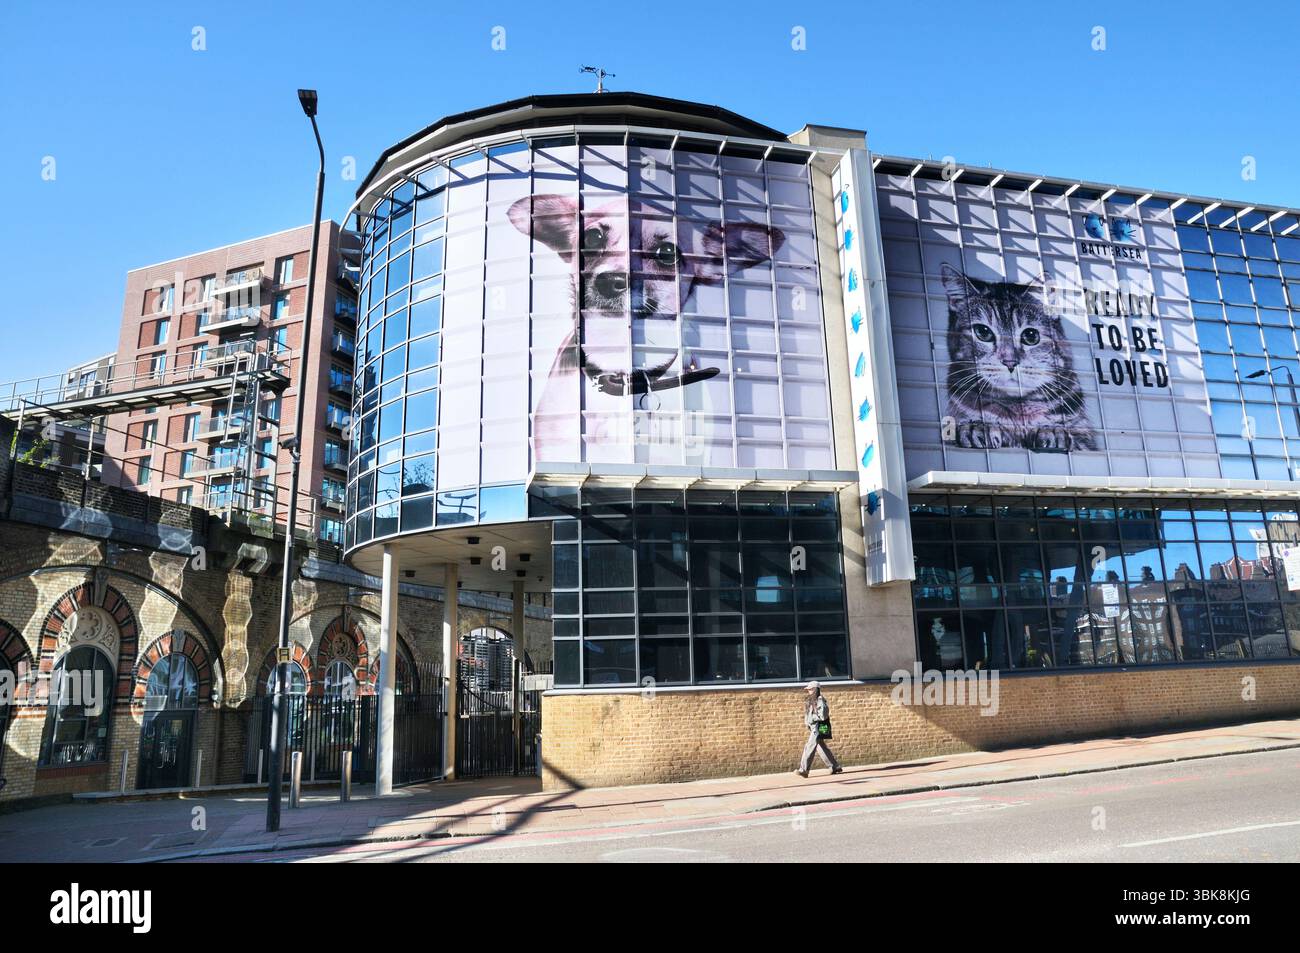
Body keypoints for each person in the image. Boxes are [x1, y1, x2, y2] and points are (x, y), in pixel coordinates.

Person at [796, 680, 842, 778]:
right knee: (821, 747)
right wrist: (807, 722)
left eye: (810, 689)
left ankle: (804, 770)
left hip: (818, 726)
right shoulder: (811, 700)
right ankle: (834, 766)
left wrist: (812, 719)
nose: (808, 691)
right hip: (814, 726)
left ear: (814, 689)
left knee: (809, 746)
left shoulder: (820, 700)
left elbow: (823, 716)